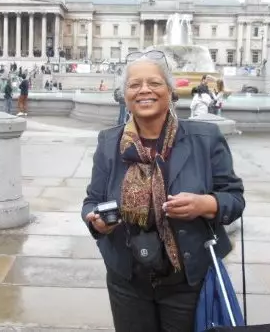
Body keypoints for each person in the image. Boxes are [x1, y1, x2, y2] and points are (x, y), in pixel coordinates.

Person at [81, 50, 245, 332]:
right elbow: (92, 201)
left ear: (170, 91)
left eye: (154, 83)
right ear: (126, 96)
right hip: (127, 279)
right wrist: (96, 222)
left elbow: (234, 198)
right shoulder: (109, 142)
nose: (144, 90)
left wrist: (205, 204)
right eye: (134, 85)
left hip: (187, 280)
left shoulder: (205, 139)